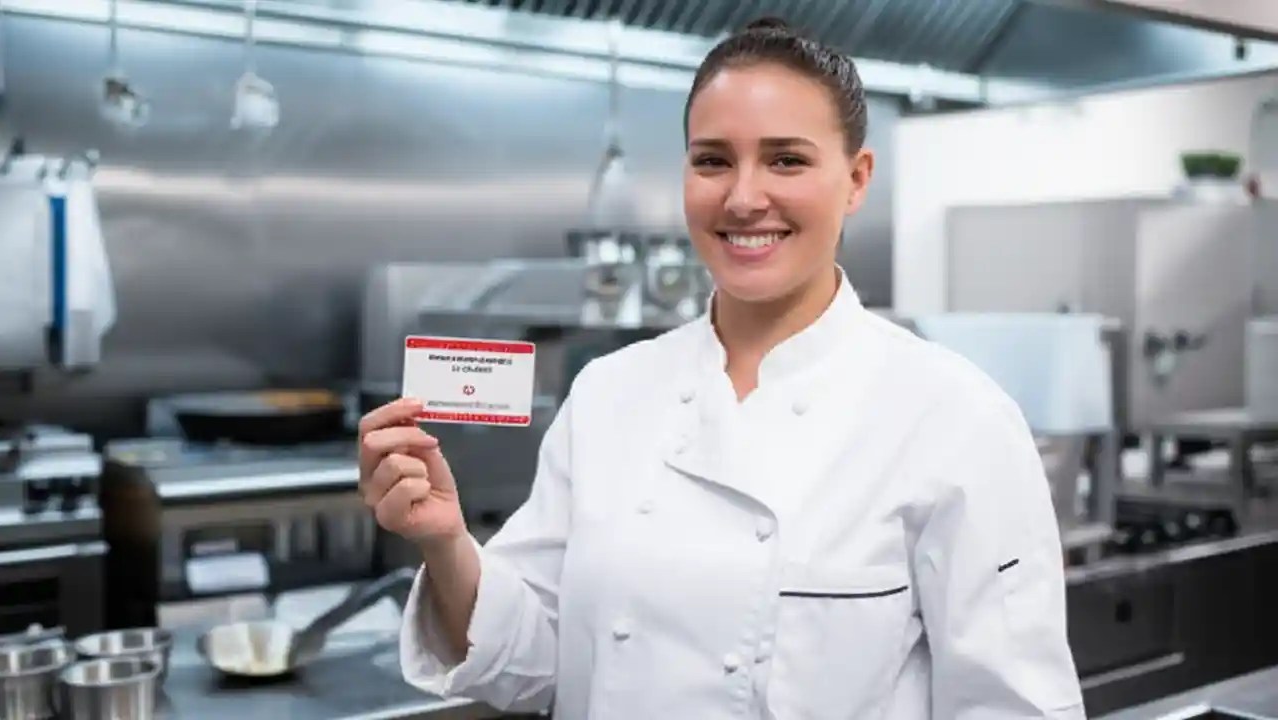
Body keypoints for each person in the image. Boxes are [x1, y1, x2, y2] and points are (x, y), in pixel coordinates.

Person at [359, 16, 1086, 719]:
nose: (743, 198)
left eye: (787, 159)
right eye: (713, 160)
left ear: (857, 179)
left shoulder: (955, 418)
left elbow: (1012, 707)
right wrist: (447, 543)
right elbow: (536, 662)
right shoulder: (609, 393)